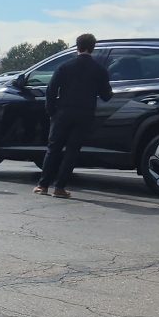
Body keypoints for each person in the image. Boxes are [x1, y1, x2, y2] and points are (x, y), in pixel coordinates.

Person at [36, 33, 111, 198]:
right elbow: (106, 95)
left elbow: (51, 90)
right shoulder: (99, 70)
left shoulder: (65, 66)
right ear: (93, 48)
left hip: (63, 112)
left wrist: (51, 111)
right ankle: (60, 188)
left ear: (77, 47)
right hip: (85, 113)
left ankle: (43, 185)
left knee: (53, 149)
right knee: (72, 151)